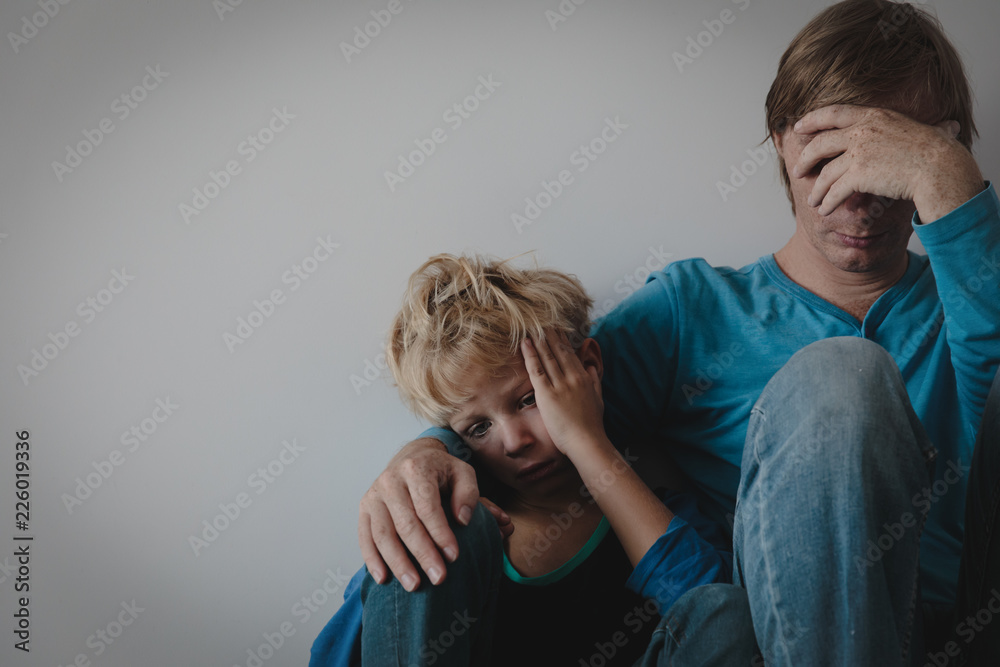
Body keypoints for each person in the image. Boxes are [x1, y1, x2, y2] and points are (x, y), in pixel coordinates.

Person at [356, 1, 1000, 665]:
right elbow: (539, 391)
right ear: (782, 141)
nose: (857, 197)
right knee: (843, 375)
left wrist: (950, 184)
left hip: (966, 622)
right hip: (792, 636)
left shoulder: (972, 291)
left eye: (889, 158)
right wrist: (432, 450)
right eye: (831, 158)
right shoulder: (695, 311)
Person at [311, 254, 756, 666]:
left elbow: (719, 623)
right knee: (441, 530)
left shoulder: (667, 516)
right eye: (478, 428)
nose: (514, 441)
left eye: (529, 399)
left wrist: (587, 442)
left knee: (724, 608)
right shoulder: (459, 531)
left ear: (589, 367)